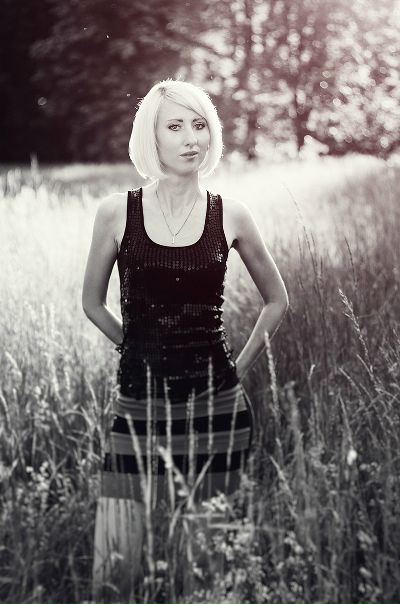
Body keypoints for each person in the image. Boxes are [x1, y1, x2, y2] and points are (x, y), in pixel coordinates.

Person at [82, 78, 289, 602]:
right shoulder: (116, 211)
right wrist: (135, 347)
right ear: (151, 136)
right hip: (139, 403)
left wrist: (237, 369)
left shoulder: (231, 213)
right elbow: (92, 303)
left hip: (216, 407)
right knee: (114, 571)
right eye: (174, 126)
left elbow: (277, 299)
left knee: (205, 574)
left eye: (200, 125)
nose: (191, 138)